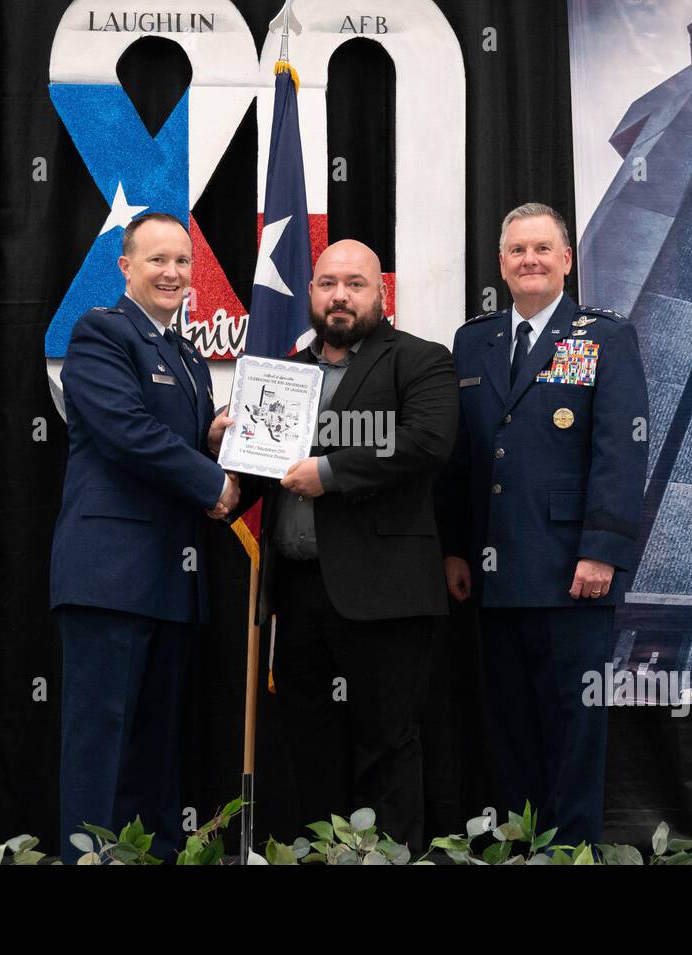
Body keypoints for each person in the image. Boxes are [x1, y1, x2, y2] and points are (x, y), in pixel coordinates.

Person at [214, 239, 458, 849]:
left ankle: (389, 859)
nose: (340, 296)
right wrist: (222, 448)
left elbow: (427, 442)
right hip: (296, 593)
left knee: (387, 742)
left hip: (385, 592)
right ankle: (317, 857)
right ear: (312, 293)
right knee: (305, 739)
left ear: (382, 294)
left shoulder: (421, 360)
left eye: (355, 284)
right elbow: (257, 470)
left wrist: (329, 473)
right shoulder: (283, 370)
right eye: (327, 284)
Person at [437, 202, 648, 845]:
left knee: (575, 724)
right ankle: (520, 849)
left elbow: (622, 448)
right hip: (494, 571)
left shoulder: (604, 336)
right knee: (507, 723)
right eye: (517, 251)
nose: (530, 260)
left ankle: (572, 851)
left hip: (571, 570)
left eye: (542, 249)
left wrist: (602, 551)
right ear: (501, 265)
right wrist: (454, 551)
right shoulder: (473, 341)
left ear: (567, 259)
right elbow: (460, 459)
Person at [49, 212, 238, 862]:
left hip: (171, 582)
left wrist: (212, 438)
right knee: (99, 747)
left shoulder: (187, 356)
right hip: (109, 576)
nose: (172, 273)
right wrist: (211, 481)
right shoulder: (100, 332)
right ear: (126, 267)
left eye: (182, 262)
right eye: (157, 260)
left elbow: (171, 438)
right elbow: (126, 430)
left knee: (156, 751)